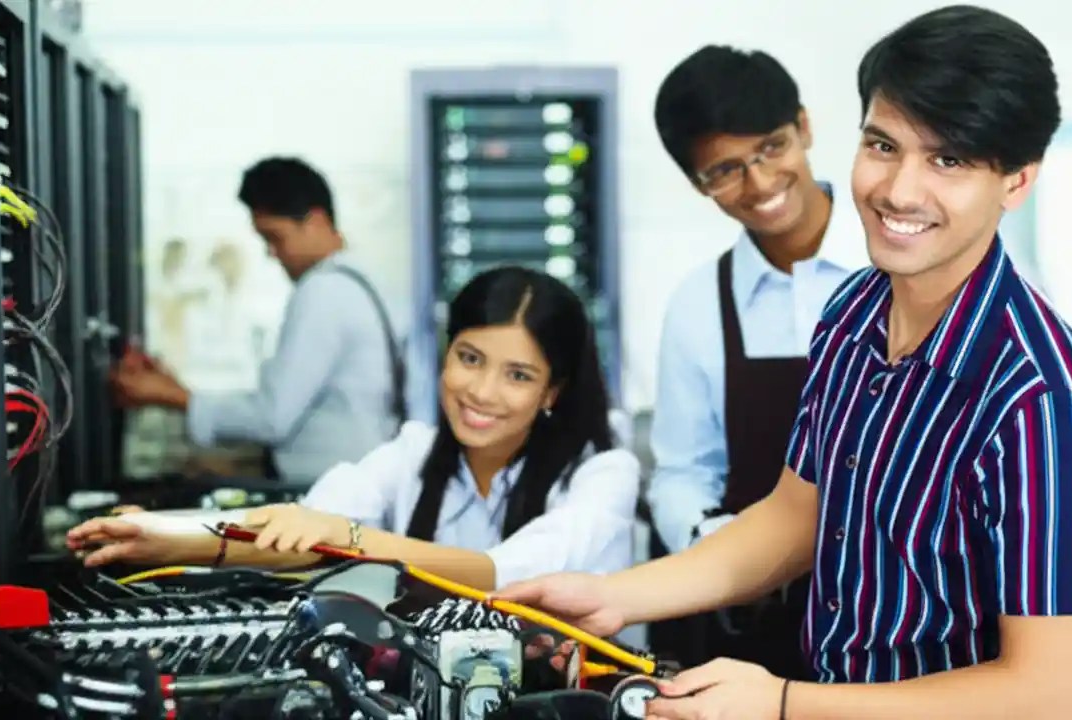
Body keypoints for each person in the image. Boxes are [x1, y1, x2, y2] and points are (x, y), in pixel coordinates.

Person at [496, 7, 1072, 719]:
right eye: (883, 145)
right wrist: (614, 595)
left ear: (1016, 182)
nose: (899, 190)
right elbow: (795, 517)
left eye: (949, 160)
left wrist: (781, 702)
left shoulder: (1053, 406)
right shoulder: (852, 314)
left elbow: (1046, 695)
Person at [69, 266, 640, 591]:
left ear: (552, 391)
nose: (482, 392)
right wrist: (169, 536)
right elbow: (304, 530)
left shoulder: (604, 474)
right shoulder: (414, 452)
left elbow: (504, 571)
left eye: (517, 375)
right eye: (469, 359)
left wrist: (351, 540)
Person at [644, 45, 867, 677]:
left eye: (772, 148)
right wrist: (714, 540)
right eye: (726, 170)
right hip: (753, 628)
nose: (761, 183)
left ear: (804, 127)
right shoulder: (697, 305)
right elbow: (682, 471)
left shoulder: (903, 263)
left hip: (895, 612)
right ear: (698, 184)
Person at [110, 157, 406, 483]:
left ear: (316, 221)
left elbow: (271, 418)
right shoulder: (363, 280)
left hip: (330, 490)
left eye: (274, 238)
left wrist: (173, 396)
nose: (271, 253)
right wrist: (176, 391)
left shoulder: (324, 291)